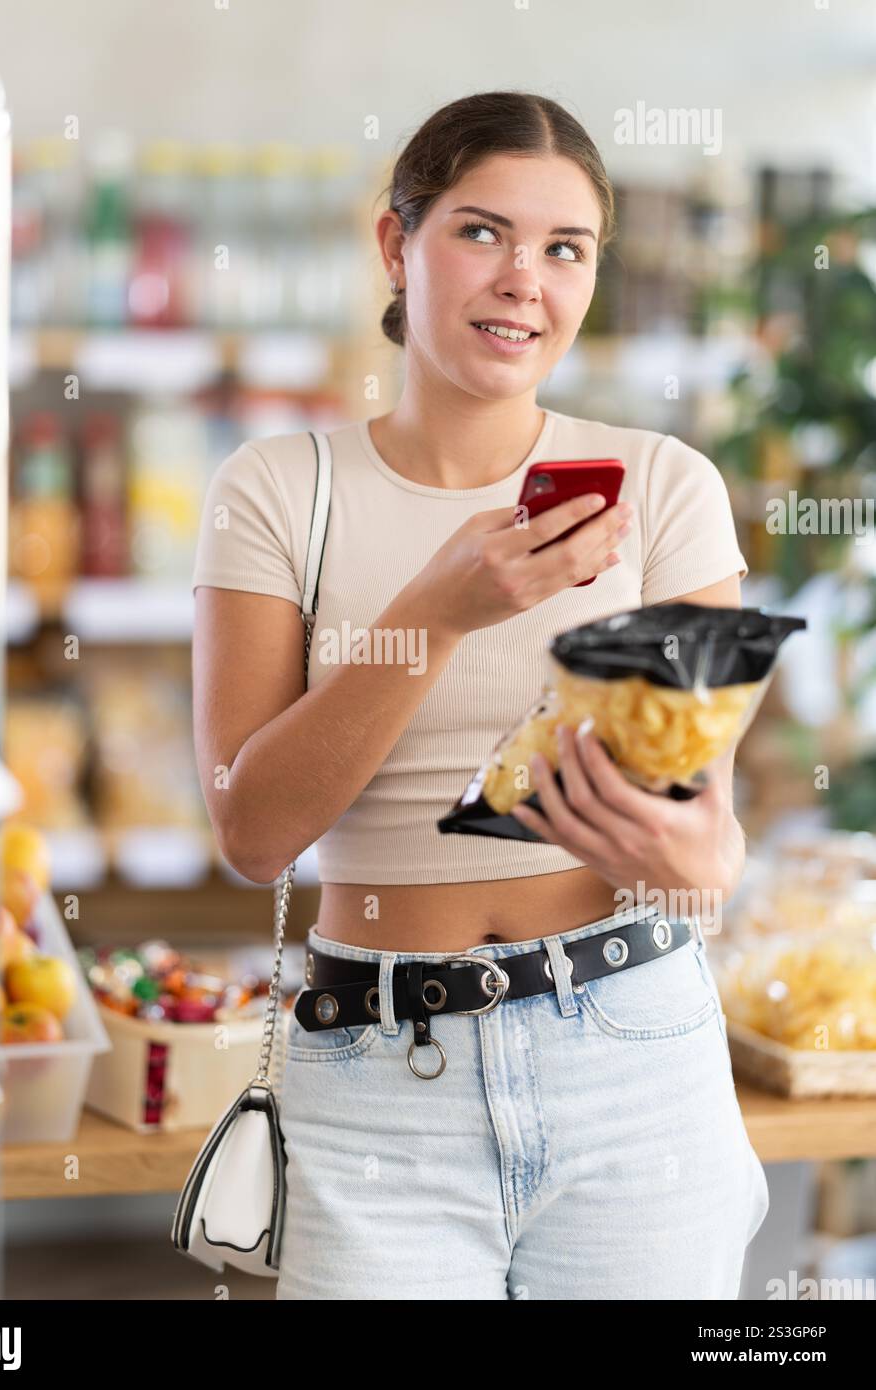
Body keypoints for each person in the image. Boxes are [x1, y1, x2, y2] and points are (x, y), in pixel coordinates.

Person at [191, 89, 769, 1300]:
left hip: (632, 1047)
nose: (525, 279)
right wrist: (437, 611)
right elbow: (253, 831)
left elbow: (701, 826)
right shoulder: (279, 489)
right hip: (372, 1070)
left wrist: (700, 861)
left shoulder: (663, 489)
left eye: (566, 249)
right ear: (399, 244)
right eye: (482, 232)